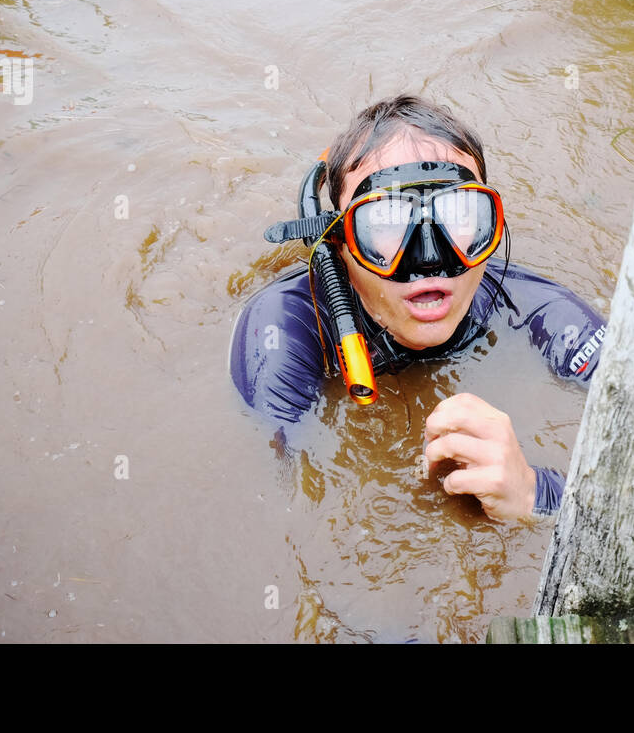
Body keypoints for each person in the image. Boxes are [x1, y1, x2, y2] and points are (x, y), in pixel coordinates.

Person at [229, 95, 607, 522]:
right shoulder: (286, 329)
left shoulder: (538, 309)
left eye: (460, 214)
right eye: (385, 222)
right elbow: (284, 501)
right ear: (339, 240)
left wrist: (537, 494)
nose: (429, 258)